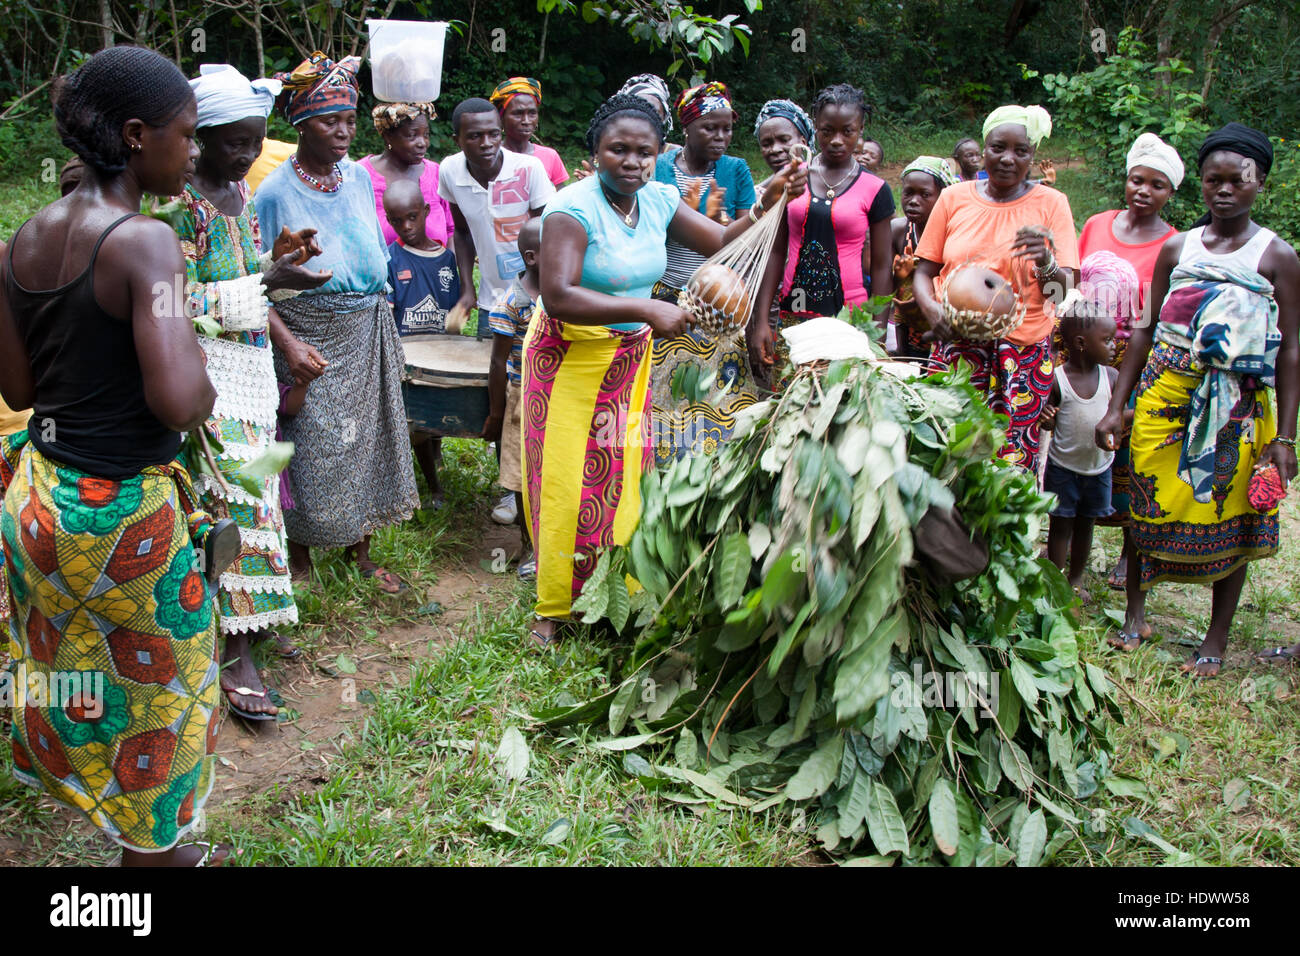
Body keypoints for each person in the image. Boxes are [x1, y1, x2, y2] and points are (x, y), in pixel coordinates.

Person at [0, 46, 231, 866]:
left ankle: (97, 806)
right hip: (126, 521)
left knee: (74, 672)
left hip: (39, 503)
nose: (193, 152)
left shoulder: (22, 240)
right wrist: (204, 373)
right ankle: (158, 859)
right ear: (137, 137)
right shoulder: (147, 246)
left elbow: (22, 390)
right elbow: (176, 399)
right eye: (186, 134)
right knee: (162, 695)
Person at [525, 93, 805, 647]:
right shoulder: (570, 208)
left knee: (624, 472)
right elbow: (557, 295)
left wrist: (768, 202)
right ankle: (553, 608)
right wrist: (646, 308)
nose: (632, 162)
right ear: (596, 151)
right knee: (563, 478)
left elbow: (722, 241)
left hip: (627, 358)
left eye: (645, 152)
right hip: (569, 358)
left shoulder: (657, 198)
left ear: (659, 154)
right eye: (618, 151)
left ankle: (613, 589)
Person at [1095, 124, 1300, 677]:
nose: (1224, 190)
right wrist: (1118, 404)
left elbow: (1291, 353)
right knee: (1143, 496)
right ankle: (1135, 613)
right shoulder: (1177, 247)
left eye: (1238, 180)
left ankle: (1215, 638)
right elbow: (1144, 329)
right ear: (1202, 185)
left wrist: (1284, 438)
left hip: (1238, 404)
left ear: (1260, 184)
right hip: (1165, 391)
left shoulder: (1277, 256)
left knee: (1235, 510)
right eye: (1214, 180)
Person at [177, 63, 334, 720]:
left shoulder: (241, 193)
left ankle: (247, 628)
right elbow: (178, 301)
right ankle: (232, 653)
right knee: (231, 509)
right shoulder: (177, 204)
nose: (245, 155)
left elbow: (249, 283)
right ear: (197, 136)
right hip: (202, 374)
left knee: (258, 503)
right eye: (233, 142)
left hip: (251, 373)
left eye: (253, 140)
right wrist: (264, 282)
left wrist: (283, 269)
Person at [255, 51, 419, 595]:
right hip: (309, 329)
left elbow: (369, 241)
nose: (344, 132)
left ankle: (360, 550)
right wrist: (289, 342)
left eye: (350, 120)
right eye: (330, 121)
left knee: (366, 438)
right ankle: (299, 555)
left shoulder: (355, 177)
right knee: (306, 438)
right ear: (301, 124)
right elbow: (260, 283)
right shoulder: (275, 193)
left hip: (364, 323)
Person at [912, 105, 1080, 474]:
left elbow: (1061, 290)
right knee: (948, 456)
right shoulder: (954, 198)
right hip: (956, 350)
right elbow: (924, 271)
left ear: (1032, 156)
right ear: (984, 149)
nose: (1008, 159)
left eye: (1021, 151)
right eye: (998, 148)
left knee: (1009, 468)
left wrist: (1045, 261)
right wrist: (932, 310)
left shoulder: (1052, 204)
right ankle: (947, 534)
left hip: (1021, 357)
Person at [1078, 132, 1183, 592]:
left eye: (1156, 185)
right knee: (1080, 446)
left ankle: (1129, 551)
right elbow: (1071, 287)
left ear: (1171, 193)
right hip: (1084, 356)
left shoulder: (1177, 245)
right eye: (1137, 180)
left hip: (1137, 357)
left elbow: (1163, 313)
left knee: (1132, 454)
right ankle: (1071, 533)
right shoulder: (1097, 224)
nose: (1144, 190)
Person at [752, 83, 895, 390]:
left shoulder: (875, 190)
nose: (837, 140)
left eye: (848, 131)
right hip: (793, 318)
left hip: (851, 322)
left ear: (861, 130)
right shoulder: (792, 176)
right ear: (814, 128)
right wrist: (763, 320)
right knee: (790, 408)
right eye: (827, 130)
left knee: (842, 414)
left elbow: (883, 266)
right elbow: (776, 252)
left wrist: (878, 335)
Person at [649, 81, 759, 465]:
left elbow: (748, 234)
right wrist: (704, 219)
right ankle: (664, 467)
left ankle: (716, 467)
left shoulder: (736, 169)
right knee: (667, 388)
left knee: (718, 389)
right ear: (687, 127)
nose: (721, 136)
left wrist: (723, 222)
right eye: (710, 127)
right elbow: (650, 222)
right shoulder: (660, 166)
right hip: (663, 291)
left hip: (719, 298)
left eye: (727, 127)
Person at [439, 97, 554, 328]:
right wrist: (467, 289)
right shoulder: (450, 171)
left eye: (494, 134)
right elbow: (462, 232)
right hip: (492, 302)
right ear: (457, 140)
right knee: (490, 364)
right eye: (474, 136)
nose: (487, 143)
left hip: (539, 302)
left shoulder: (528, 169)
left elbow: (552, 233)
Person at [383, 178, 460, 504]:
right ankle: (433, 487)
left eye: (413, 217)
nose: (406, 225)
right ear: (388, 220)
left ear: (427, 211)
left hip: (442, 354)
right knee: (417, 424)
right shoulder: (389, 259)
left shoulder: (446, 260)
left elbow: (454, 307)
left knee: (438, 414)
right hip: (408, 358)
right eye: (397, 220)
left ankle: (437, 453)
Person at [1040, 297, 1118, 603]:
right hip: (1063, 469)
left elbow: (1124, 413)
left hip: (1098, 468)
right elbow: (1048, 424)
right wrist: (1047, 419)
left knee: (1086, 526)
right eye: (1108, 340)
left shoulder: (1111, 378)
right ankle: (1056, 581)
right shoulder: (1057, 380)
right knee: (1060, 527)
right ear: (1082, 343)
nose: (1114, 346)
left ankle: (1074, 581)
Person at [486, 218, 540, 577]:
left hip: (557, 393)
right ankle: (529, 546)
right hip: (523, 396)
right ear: (533, 257)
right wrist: (495, 412)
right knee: (523, 475)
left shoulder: (566, 293)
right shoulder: (512, 303)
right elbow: (497, 359)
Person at [359, 101, 456, 249]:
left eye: (426, 135)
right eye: (412, 135)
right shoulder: (361, 176)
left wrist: (447, 268)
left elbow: (451, 231)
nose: (422, 143)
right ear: (388, 137)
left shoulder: (435, 173)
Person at [889, 155, 959, 358]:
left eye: (925, 195)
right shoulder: (899, 230)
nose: (913, 201)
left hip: (944, 327)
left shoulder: (953, 235)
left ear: (942, 197)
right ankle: (904, 354)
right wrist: (900, 276)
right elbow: (886, 288)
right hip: (908, 328)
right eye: (908, 193)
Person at [490, 76, 569, 188]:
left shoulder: (550, 156)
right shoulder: (491, 157)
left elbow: (561, 199)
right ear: (501, 117)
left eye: (532, 113)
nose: (526, 121)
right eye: (518, 113)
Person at [753, 98, 814, 194]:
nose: (775, 149)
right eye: (766, 144)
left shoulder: (827, 185)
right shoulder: (757, 195)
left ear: (803, 142)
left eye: (784, 140)